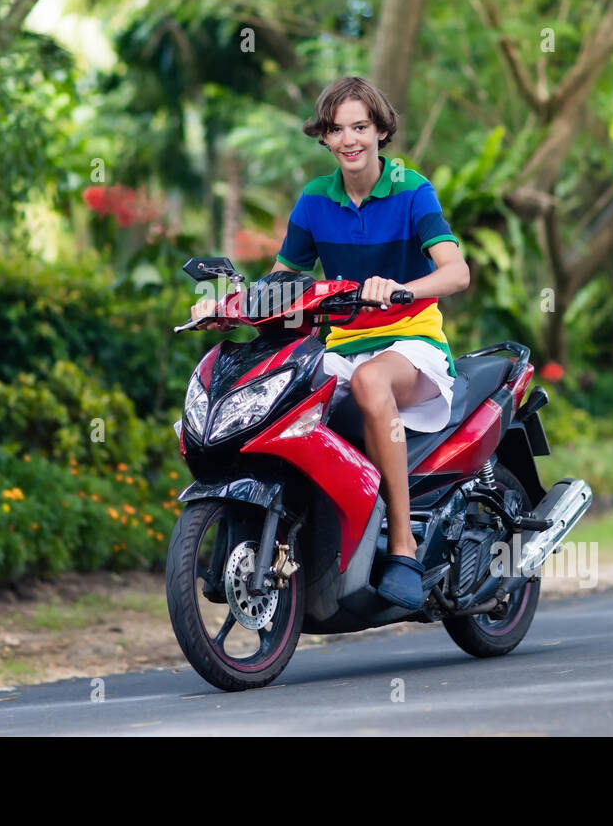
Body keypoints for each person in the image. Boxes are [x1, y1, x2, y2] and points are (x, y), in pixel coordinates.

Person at [190, 76, 471, 609]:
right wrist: (223, 307)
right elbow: (280, 282)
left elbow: (456, 273)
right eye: (337, 129)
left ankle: (405, 548)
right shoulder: (316, 199)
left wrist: (401, 289)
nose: (349, 140)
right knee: (281, 400)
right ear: (323, 137)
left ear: (381, 130)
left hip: (413, 344)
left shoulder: (413, 189)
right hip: (339, 346)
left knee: (370, 380)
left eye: (360, 127)